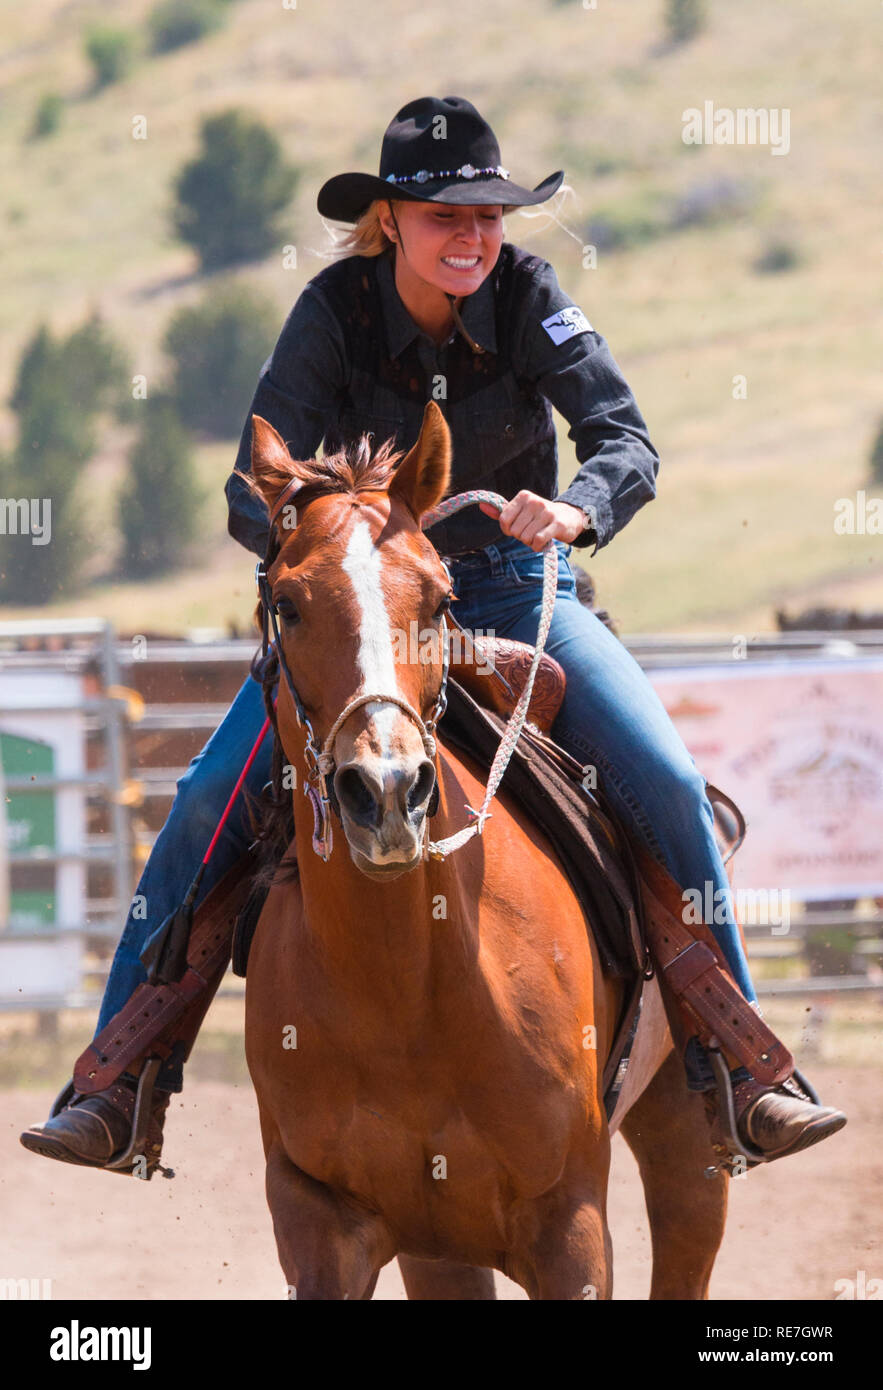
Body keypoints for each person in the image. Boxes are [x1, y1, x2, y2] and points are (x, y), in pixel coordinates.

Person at [21, 95, 845, 1176]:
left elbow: (624, 437)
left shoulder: (532, 297)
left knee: (666, 783)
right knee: (200, 811)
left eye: (490, 217)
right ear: (389, 222)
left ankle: (749, 1070)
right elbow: (244, 491)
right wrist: (335, 522)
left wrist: (578, 507)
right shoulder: (330, 312)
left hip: (514, 589)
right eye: (444, 215)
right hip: (362, 608)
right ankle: (117, 1084)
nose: (472, 237)